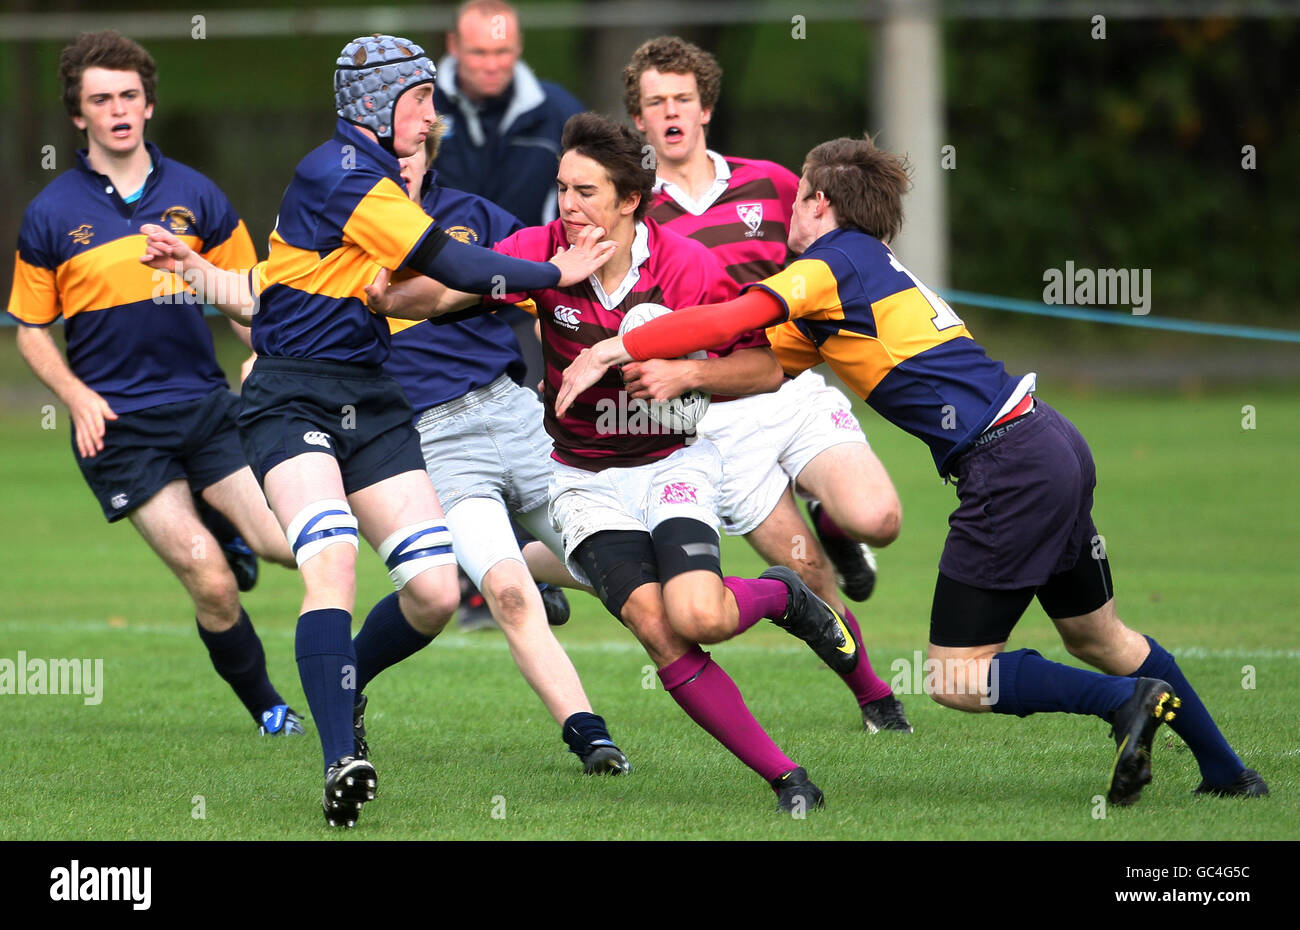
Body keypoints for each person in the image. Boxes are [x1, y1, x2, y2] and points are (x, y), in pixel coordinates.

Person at [561, 135, 1270, 805]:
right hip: (1047, 442)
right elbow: (770, 366)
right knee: (1098, 636)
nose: (788, 211)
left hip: (1008, 466)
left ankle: (1122, 702)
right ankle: (1228, 774)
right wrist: (687, 374)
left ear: (820, 204)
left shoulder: (832, 262)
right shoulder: (857, 272)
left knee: (955, 676)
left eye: (798, 196)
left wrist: (615, 347)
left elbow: (735, 316)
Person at [139, 35, 617, 827]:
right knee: (330, 560)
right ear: (376, 102)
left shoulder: (367, 190)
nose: (431, 116)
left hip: (372, 398)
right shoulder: (344, 174)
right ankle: (341, 761)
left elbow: (267, 287)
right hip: (293, 398)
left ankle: (345, 682)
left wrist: (192, 272)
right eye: (420, 99)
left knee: (434, 591)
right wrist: (554, 274)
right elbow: (455, 265)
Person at [370, 113, 861, 812]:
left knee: (702, 616)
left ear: (631, 200)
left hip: (674, 463)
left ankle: (782, 595)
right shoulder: (543, 249)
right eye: (562, 188)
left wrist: (687, 375)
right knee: (658, 628)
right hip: (583, 482)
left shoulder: (688, 267)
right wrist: (388, 298)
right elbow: (451, 290)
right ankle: (788, 778)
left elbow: (766, 366)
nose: (567, 206)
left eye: (586, 192)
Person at [7, 30, 304, 738]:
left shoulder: (197, 195)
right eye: (100, 99)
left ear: (148, 105)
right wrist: (76, 396)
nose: (117, 110)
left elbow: (247, 295)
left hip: (204, 409)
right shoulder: (51, 213)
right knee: (211, 579)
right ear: (78, 115)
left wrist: (264, 354)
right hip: (121, 431)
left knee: (288, 543)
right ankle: (268, 708)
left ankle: (227, 524)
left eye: (128, 96)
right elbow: (30, 328)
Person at [622, 36, 909, 733]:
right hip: (713, 421)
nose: (671, 112)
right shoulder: (633, 211)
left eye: (683, 99)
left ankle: (836, 523)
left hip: (789, 389)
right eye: (656, 102)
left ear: (706, 108)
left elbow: (845, 247)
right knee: (809, 577)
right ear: (637, 119)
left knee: (879, 520)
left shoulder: (773, 185)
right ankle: (876, 697)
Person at [383, 131, 629, 774]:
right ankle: (590, 738)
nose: (400, 162)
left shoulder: (474, 216)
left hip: (516, 413)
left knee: (623, 570)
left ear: (430, 152)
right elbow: (280, 310)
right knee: (508, 595)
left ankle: (533, 563)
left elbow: (553, 289)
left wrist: (573, 365)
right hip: (435, 438)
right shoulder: (343, 235)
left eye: (410, 150)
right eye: (387, 151)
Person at [432, 0, 585, 625]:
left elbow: (576, 205)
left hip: (525, 293)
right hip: (434, 298)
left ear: (518, 50)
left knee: (537, 418)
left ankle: (530, 562)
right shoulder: (421, 108)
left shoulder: (557, 112)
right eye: (479, 52)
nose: (492, 64)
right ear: (453, 47)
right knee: (446, 430)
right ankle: (481, 581)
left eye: (502, 52)